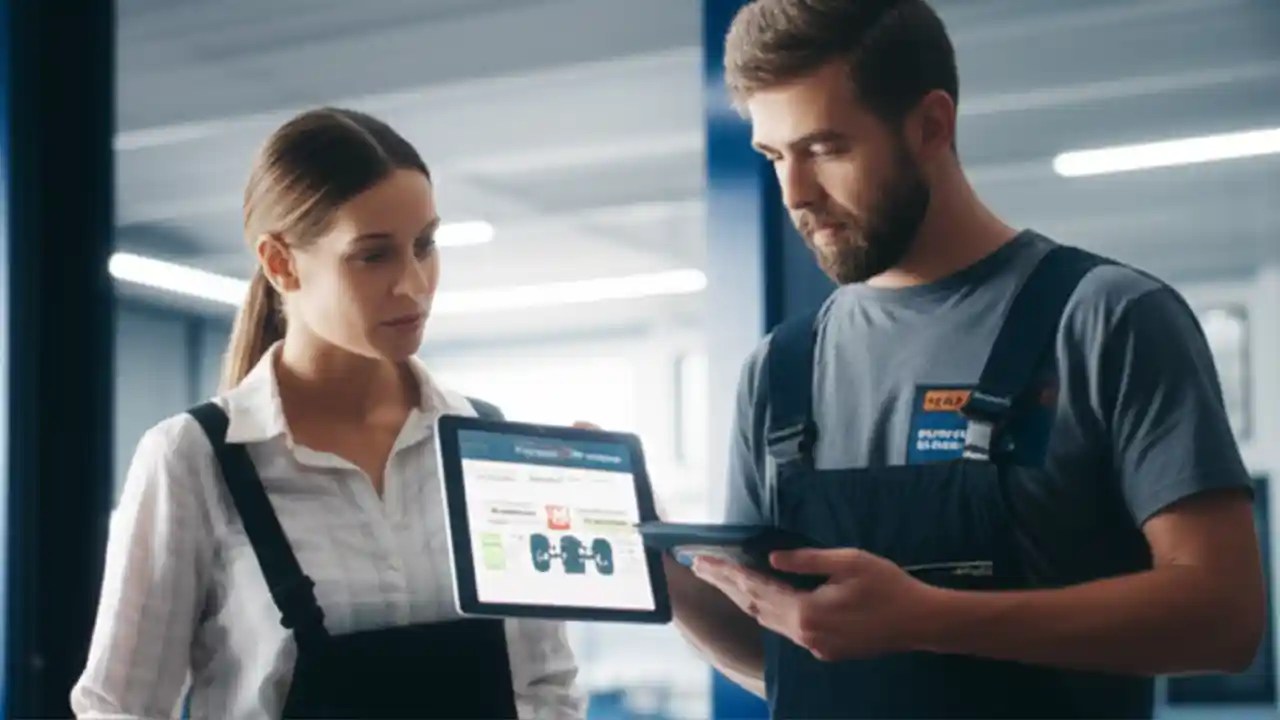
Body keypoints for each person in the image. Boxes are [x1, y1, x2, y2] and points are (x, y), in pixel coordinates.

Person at [663, 1, 1267, 718]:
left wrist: (926, 616)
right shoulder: (778, 371)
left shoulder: (1108, 321)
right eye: (774, 157)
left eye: (825, 149)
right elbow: (781, 656)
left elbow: (1225, 618)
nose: (796, 194)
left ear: (931, 126)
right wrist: (655, 572)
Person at [71, 108, 584, 719]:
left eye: (425, 245)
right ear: (281, 262)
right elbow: (119, 708)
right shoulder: (192, 458)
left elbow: (545, 687)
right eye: (373, 257)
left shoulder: (488, 447)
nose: (415, 286)